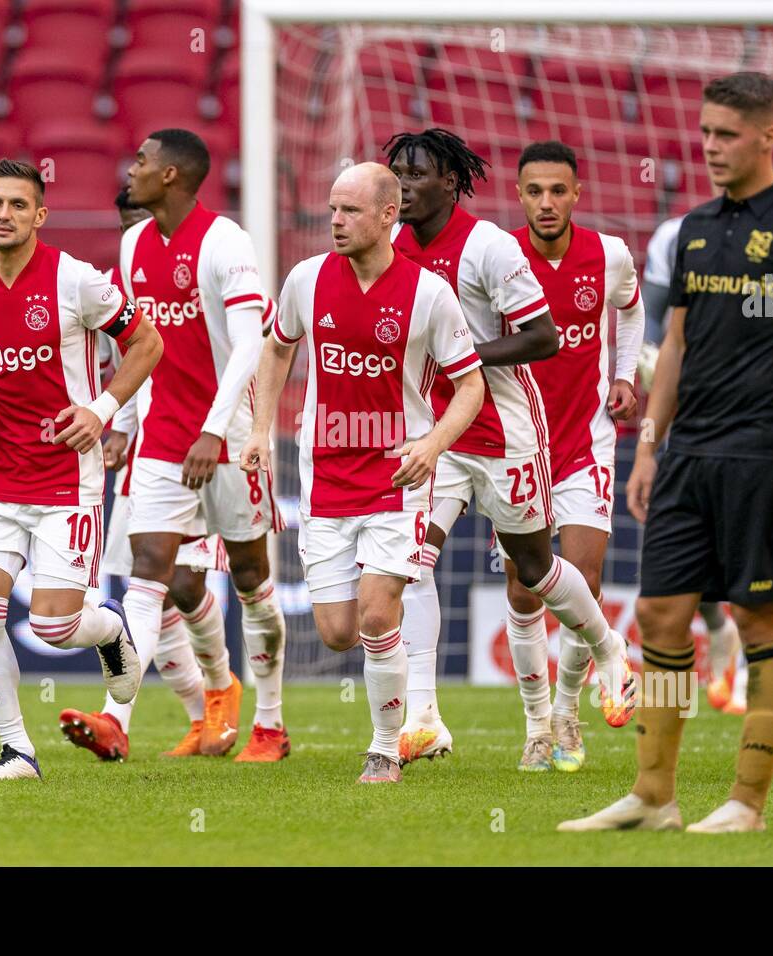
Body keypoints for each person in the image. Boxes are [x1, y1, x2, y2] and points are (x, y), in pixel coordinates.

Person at [560, 72, 773, 833]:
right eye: (705, 133)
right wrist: (650, 448)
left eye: (726, 134)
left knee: (758, 621)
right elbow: (676, 346)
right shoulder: (692, 228)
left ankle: (748, 805)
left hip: (766, 452)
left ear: (767, 136)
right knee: (659, 615)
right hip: (687, 452)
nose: (711, 148)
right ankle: (654, 796)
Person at [0, 159, 163, 780]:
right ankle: (18, 751)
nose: (4, 215)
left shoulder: (77, 281)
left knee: (54, 625)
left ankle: (108, 630)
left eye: (18, 205)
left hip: (68, 481)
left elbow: (147, 342)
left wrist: (102, 410)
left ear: (40, 215)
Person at [384, 128, 636, 766]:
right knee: (410, 562)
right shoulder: (389, 246)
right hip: (437, 436)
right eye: (397, 176)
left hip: (513, 432)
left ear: (450, 181)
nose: (403, 187)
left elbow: (544, 337)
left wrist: (627, 376)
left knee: (536, 576)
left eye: (416, 176)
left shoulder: (488, 248)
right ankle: (428, 717)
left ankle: (600, 658)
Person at [241, 162, 485, 783]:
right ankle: (398, 700)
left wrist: (432, 444)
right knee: (337, 633)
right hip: (324, 485)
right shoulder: (306, 280)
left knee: (379, 615)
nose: (335, 221)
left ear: (387, 216)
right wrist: (259, 429)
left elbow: (471, 386)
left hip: (395, 483)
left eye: (349, 211)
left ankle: (385, 746)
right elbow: (276, 346)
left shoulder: (428, 294)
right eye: (331, 209)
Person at [115, 129, 289, 760]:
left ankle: (269, 722)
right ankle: (121, 720)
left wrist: (216, 430)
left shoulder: (226, 241)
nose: (130, 169)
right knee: (153, 574)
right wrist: (126, 426)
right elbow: (140, 347)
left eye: (141, 160)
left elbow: (250, 345)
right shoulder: (133, 244)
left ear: (170, 175)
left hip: (230, 437)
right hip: (161, 439)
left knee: (249, 577)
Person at [58, 189, 220, 762]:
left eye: (146, 221)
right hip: (146, 450)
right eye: (129, 225)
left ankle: (228, 700)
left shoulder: (212, 263)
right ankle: (190, 716)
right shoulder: (113, 283)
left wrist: (230, 429)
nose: (139, 237)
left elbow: (248, 348)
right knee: (148, 585)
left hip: (206, 446)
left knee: (191, 584)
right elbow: (124, 368)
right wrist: (120, 425)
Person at [504, 140, 645, 771]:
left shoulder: (608, 255)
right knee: (526, 589)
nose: (547, 203)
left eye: (558, 190)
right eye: (534, 191)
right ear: (519, 195)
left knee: (584, 578)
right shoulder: (500, 259)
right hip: (517, 444)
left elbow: (633, 310)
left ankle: (565, 713)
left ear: (577, 194)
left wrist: (623, 375)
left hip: (586, 442)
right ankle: (535, 724)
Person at [642, 204, 746, 715]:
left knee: (745, 552)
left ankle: (737, 661)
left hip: (758, 420)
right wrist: (645, 447)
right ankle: (717, 633)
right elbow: (656, 326)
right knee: (677, 553)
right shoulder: (676, 237)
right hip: (688, 420)